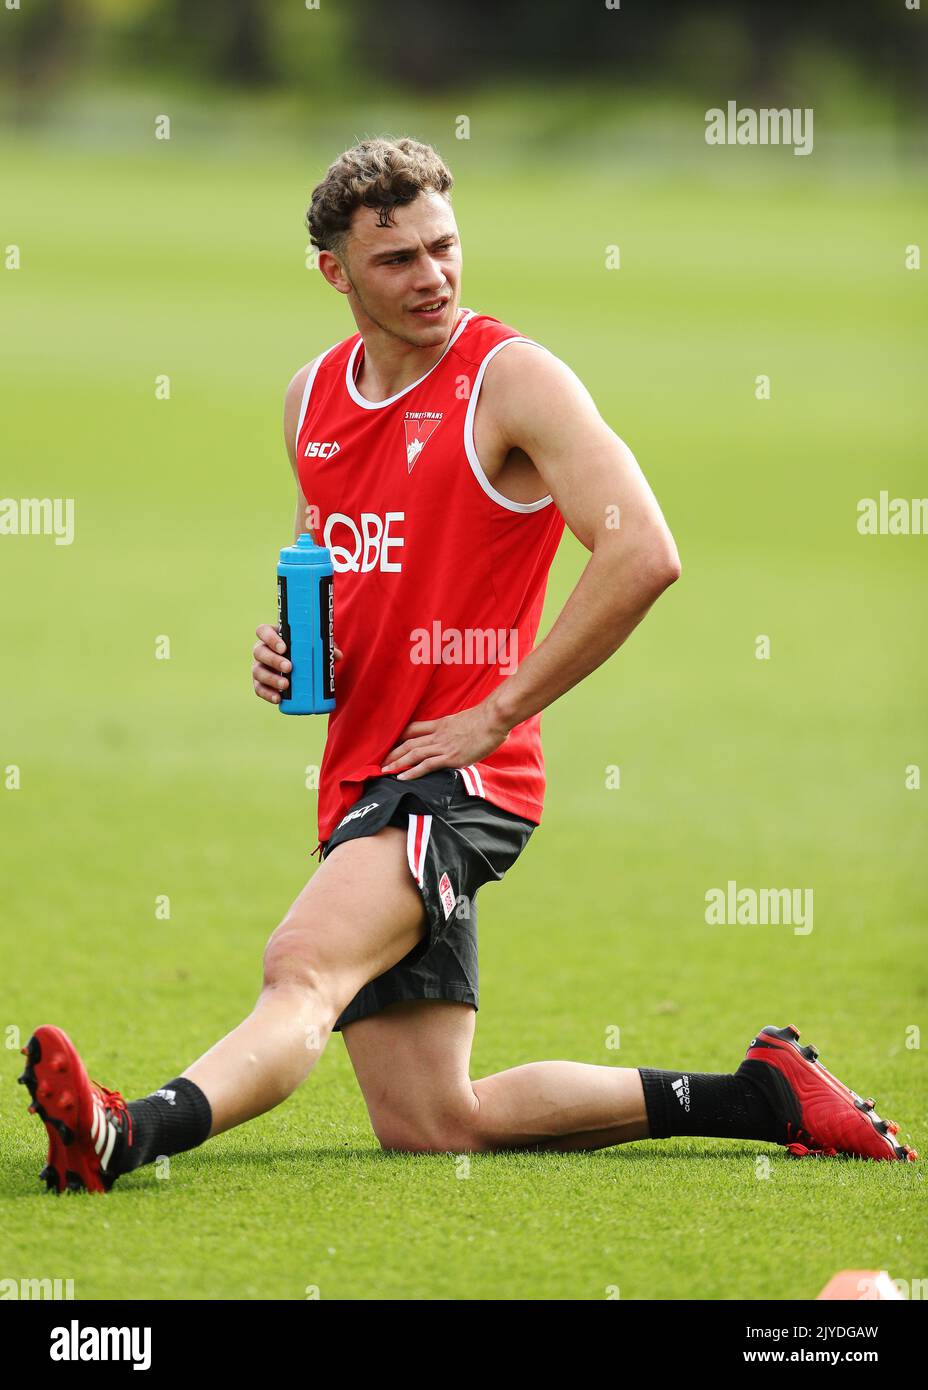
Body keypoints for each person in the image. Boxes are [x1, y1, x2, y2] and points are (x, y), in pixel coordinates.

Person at [19, 138, 915, 1193]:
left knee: (300, 968)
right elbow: (339, 565)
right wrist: (294, 648)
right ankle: (762, 1094)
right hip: (365, 765)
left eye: (444, 247)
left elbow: (643, 551)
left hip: (461, 779)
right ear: (335, 272)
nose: (433, 275)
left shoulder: (511, 379)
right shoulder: (311, 398)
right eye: (396, 259)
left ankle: (125, 1134)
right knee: (434, 1119)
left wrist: (499, 710)